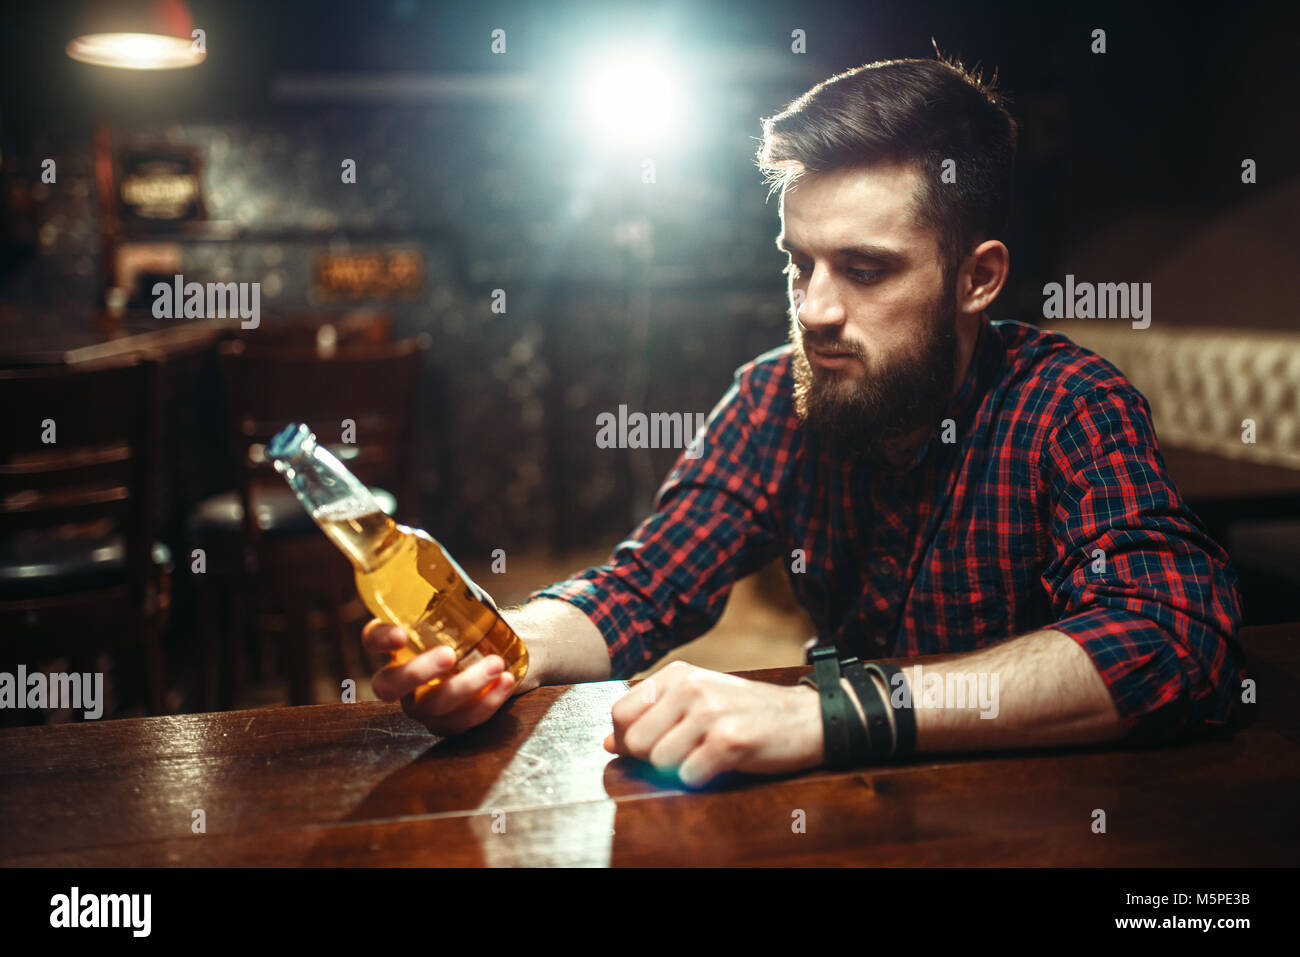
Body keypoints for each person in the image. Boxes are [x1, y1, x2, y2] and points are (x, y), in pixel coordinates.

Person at [363, 56, 1243, 787]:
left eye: (865, 269)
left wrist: (828, 712)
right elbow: (644, 587)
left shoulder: (1070, 406)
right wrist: (505, 645)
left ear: (977, 279)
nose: (815, 310)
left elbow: (1170, 637)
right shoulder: (769, 398)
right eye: (800, 264)